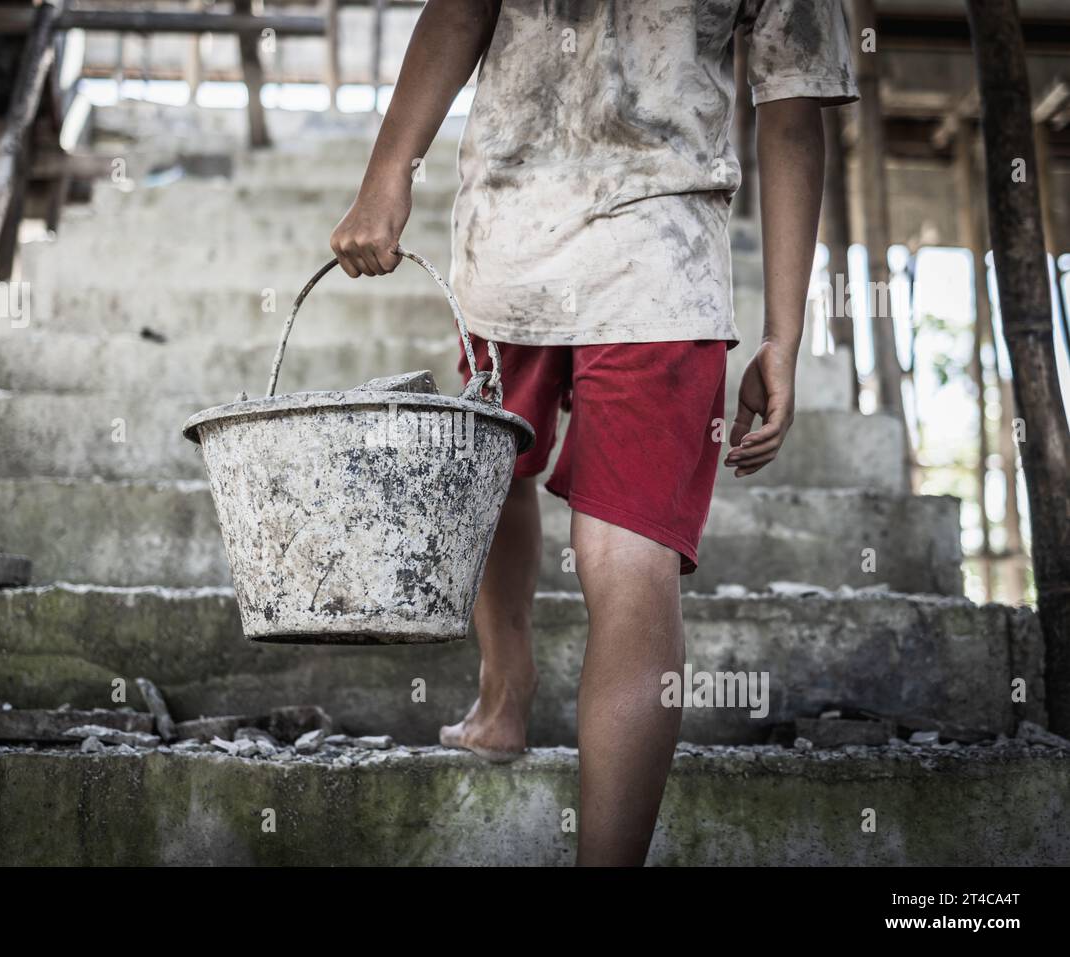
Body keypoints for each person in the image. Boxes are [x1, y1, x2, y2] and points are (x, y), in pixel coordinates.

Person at [330, 0, 858, 866]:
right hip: (619, 260)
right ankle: (514, 712)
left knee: (523, 489)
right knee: (574, 524)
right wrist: (781, 338)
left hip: (561, 245)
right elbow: (792, 119)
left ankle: (505, 702)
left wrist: (389, 173)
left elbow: (461, 10)